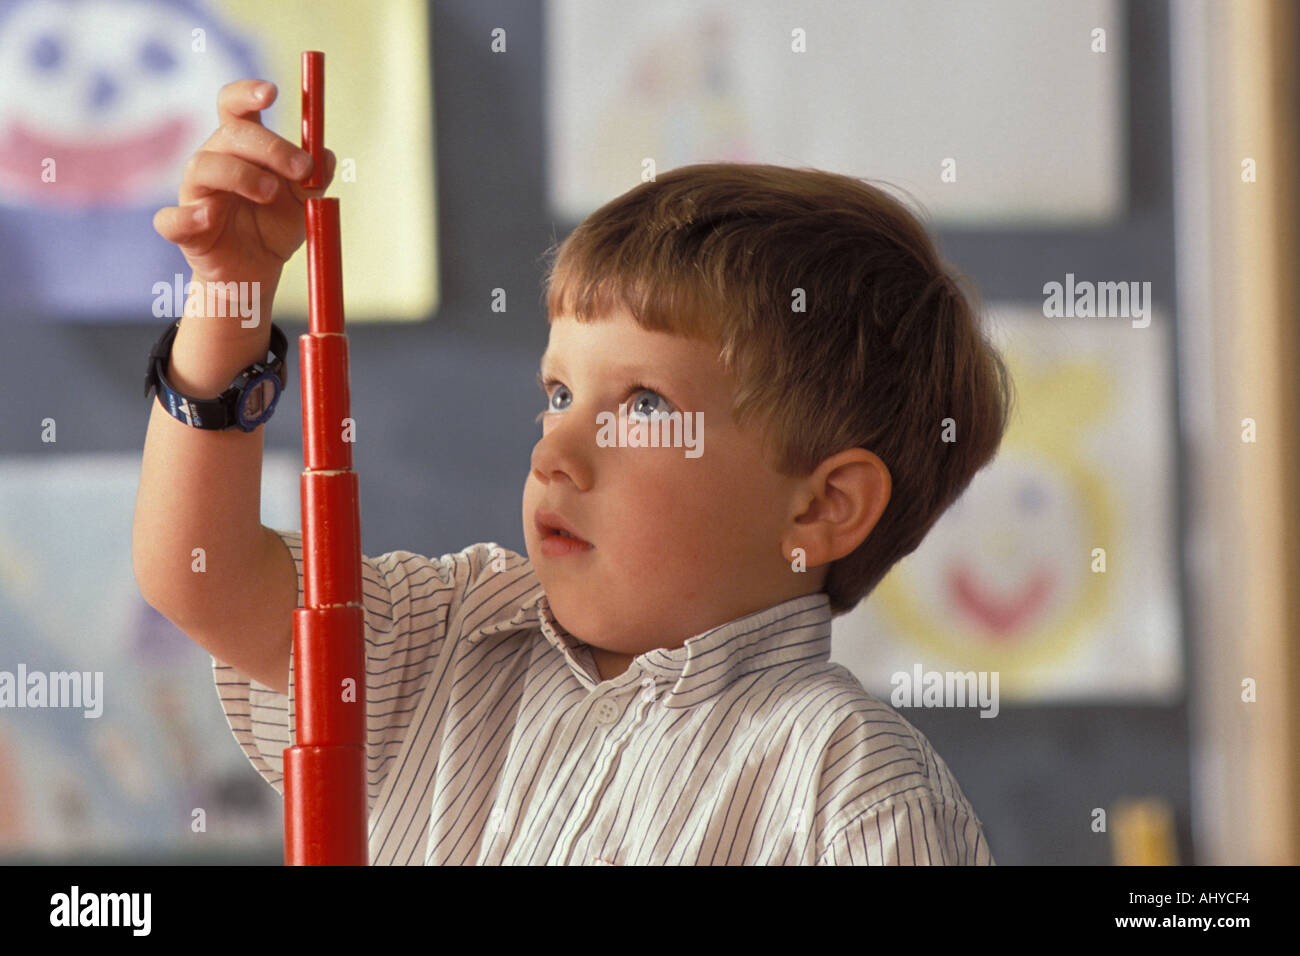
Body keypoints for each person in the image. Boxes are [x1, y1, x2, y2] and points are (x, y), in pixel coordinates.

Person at [134, 79, 1014, 866]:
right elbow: (201, 574)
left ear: (823, 506)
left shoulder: (851, 790)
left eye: (645, 405)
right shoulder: (450, 639)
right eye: (558, 392)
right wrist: (230, 300)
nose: (556, 450)